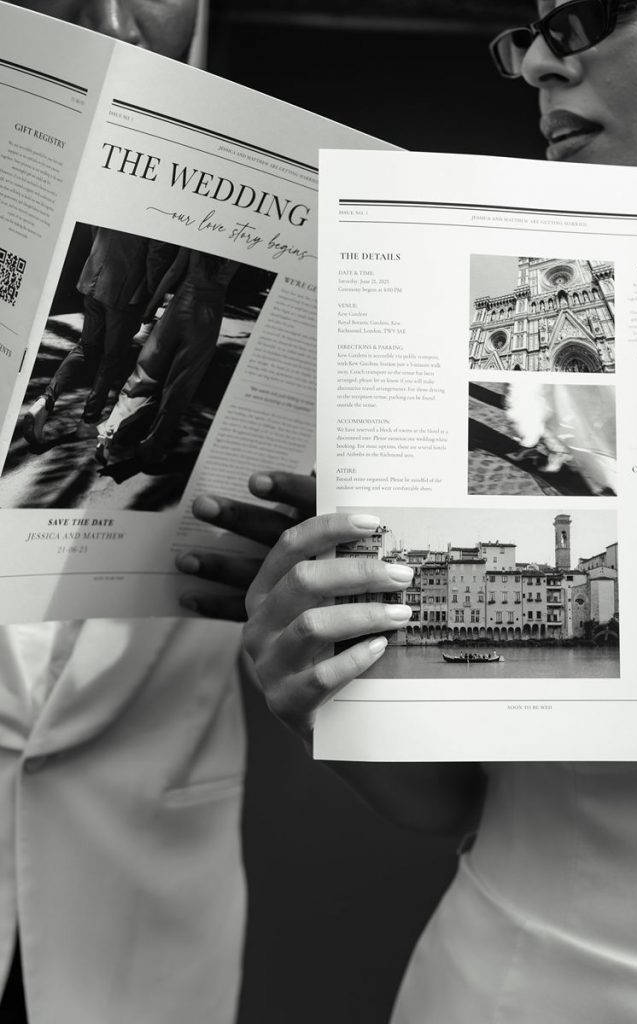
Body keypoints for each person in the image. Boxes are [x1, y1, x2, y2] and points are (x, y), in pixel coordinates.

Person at [181, 2, 637, 1020]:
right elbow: (449, 803)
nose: (540, 61)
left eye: (595, 11)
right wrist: (338, 675)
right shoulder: (529, 313)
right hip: (521, 983)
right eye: (531, 29)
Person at [0, 4, 312, 1024]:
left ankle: (116, 435)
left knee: (168, 380)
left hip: (143, 895)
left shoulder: (300, 166)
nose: (114, 15)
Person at [22, 228, 177, 445]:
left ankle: (45, 400)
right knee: (111, 358)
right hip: (126, 293)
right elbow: (156, 258)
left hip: (95, 277)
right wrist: (153, 296)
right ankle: (88, 422)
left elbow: (96, 230)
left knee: (85, 346)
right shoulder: (159, 213)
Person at [95, 248, 241, 465]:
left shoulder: (200, 237)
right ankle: (151, 448)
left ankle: (110, 430)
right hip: (207, 317)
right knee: (180, 387)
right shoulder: (239, 252)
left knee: (144, 372)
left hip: (179, 308)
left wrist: (152, 305)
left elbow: (173, 272)